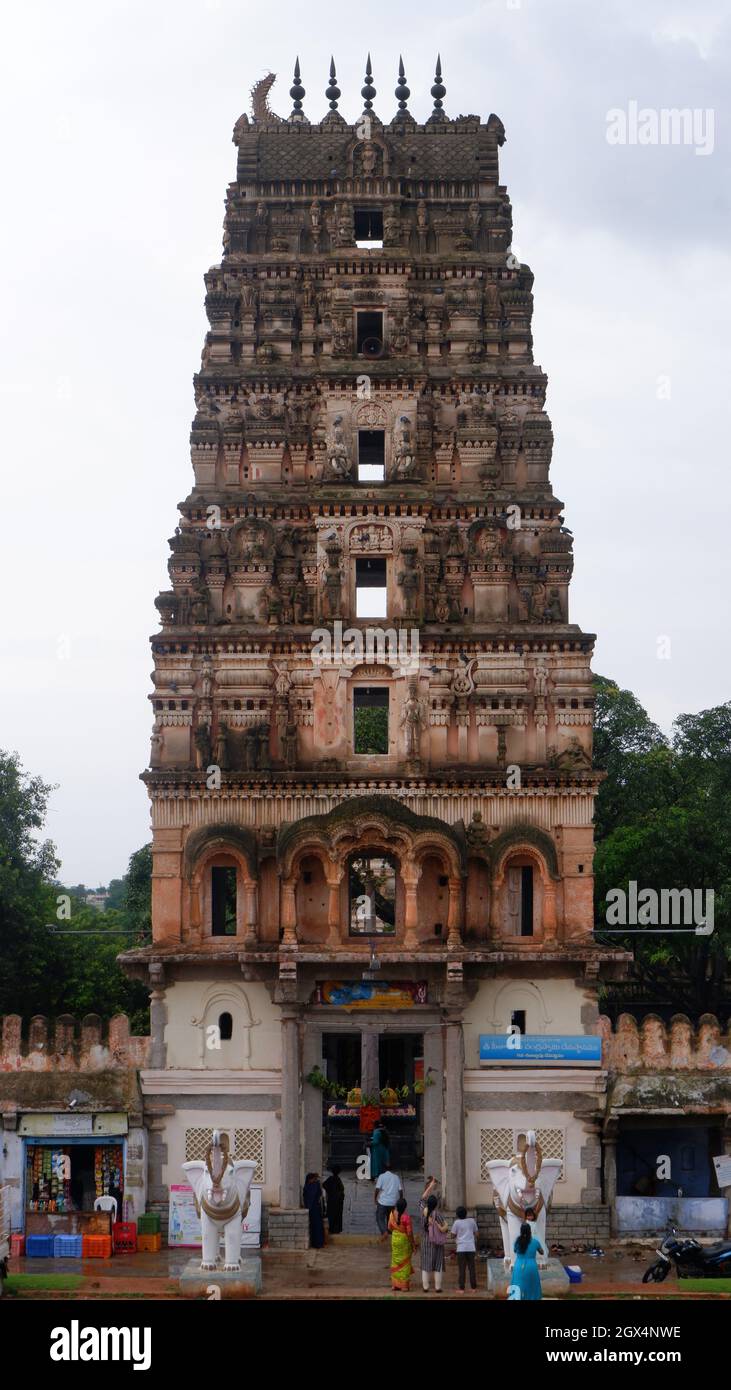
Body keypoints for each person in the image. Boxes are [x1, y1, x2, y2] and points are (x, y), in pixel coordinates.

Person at [419, 1176, 448, 1292]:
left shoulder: (423, 1211)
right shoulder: (438, 1215)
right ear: (436, 1204)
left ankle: (425, 1287)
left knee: (425, 1265)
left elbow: (422, 1199)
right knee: (438, 1265)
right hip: (437, 1242)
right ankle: (438, 1287)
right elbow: (445, 1229)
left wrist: (431, 1186)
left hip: (426, 1241)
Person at [511, 1221, 544, 1300]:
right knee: (532, 1286)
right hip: (531, 1266)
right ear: (530, 1231)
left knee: (518, 1285)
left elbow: (515, 1251)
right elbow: (542, 1252)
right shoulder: (535, 1242)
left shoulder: (517, 1242)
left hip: (519, 1265)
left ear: (521, 1231)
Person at [388, 1197, 414, 1292]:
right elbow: (410, 1233)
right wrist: (413, 1243)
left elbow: (389, 1227)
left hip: (394, 1239)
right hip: (404, 1240)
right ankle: (404, 1286)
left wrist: (396, 1231)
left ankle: (395, 1285)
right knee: (405, 1262)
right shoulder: (406, 1217)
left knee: (395, 1260)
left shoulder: (391, 1214)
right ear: (405, 1207)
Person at [451, 1205, 479, 1292]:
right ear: (466, 1213)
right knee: (472, 1268)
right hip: (471, 1248)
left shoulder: (456, 1223)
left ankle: (461, 1289)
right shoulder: (472, 1221)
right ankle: (473, 1288)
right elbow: (477, 1234)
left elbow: (452, 1235)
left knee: (462, 1269)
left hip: (461, 1249)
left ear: (457, 1215)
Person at [374, 1162, 403, 1236]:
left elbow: (377, 1189)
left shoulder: (381, 1176)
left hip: (383, 1202)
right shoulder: (396, 1177)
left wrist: (375, 1198)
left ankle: (384, 1232)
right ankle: (389, 1232)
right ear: (392, 1169)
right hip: (393, 1202)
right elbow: (400, 1191)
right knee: (390, 1218)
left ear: (384, 1169)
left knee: (379, 1218)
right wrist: (401, 1200)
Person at [302, 1172, 325, 1249]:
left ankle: (317, 1243)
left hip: (312, 1208)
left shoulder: (309, 1186)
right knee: (317, 1226)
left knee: (315, 1226)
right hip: (315, 1208)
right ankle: (318, 1243)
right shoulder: (315, 1185)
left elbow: (306, 1197)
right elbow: (319, 1194)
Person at [322, 1166, 345, 1235]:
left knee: (331, 1214)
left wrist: (329, 1191)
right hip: (337, 1201)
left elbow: (324, 1185)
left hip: (332, 1200)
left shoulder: (331, 1179)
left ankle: (332, 1228)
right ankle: (336, 1229)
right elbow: (341, 1189)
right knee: (337, 1215)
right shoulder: (337, 1179)